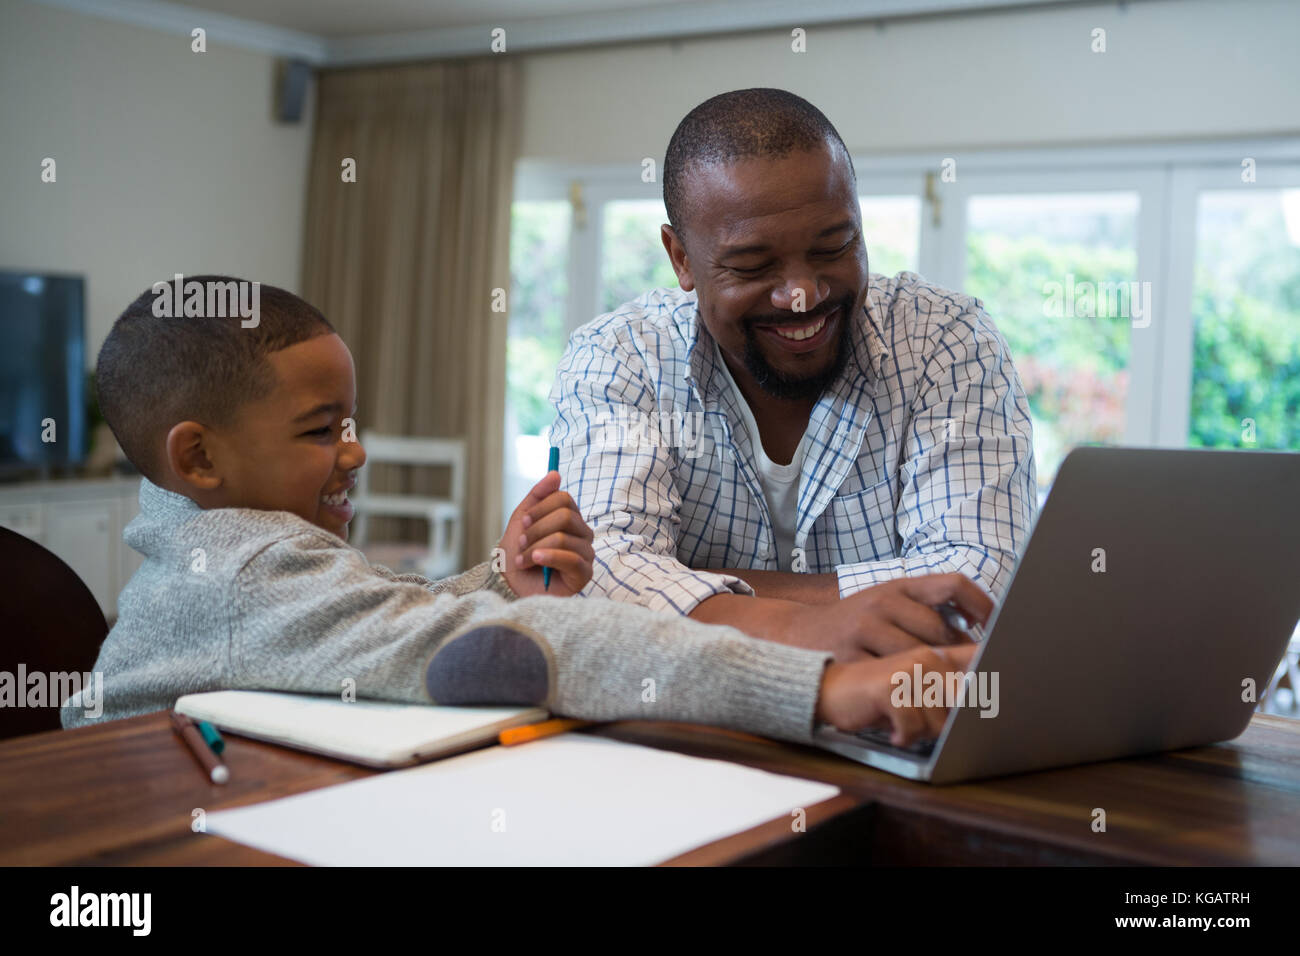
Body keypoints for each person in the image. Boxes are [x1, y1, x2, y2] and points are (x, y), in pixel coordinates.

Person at [61, 276, 974, 751]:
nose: (354, 451)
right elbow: (530, 651)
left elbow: (381, 626)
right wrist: (824, 686)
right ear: (200, 456)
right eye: (318, 431)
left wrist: (496, 579)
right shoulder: (245, 570)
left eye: (348, 421)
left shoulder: (219, 546)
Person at [550, 88, 1036, 655]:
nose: (802, 294)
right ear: (681, 257)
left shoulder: (946, 341)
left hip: (898, 722)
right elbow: (598, 577)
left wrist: (689, 583)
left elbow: (975, 590)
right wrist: (823, 623)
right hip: (684, 722)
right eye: (754, 265)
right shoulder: (620, 358)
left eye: (835, 247)